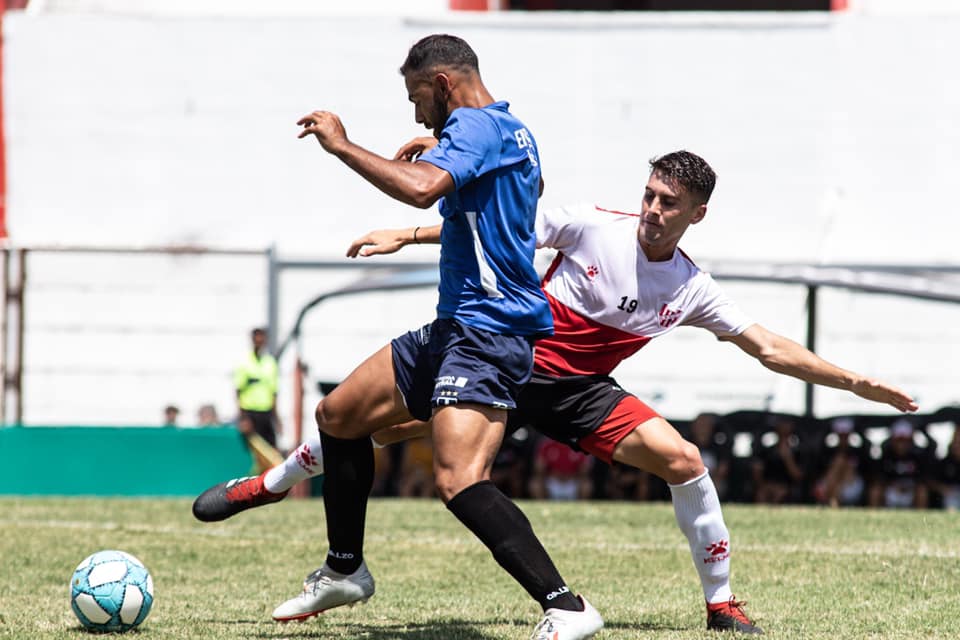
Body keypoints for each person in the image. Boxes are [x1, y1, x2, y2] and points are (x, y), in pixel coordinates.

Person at [194, 150, 919, 634]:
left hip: (577, 393)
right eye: (649, 194)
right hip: (502, 360)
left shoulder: (691, 285)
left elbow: (769, 348)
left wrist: (859, 381)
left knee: (685, 460)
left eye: (669, 202)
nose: (652, 209)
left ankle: (721, 602)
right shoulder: (591, 225)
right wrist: (408, 233)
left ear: (698, 213)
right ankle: (273, 481)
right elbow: (501, 237)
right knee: (366, 425)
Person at [228, 33, 601, 639]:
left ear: (445, 85)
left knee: (457, 480)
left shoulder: (477, 130)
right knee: (339, 413)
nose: (415, 111)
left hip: (490, 329)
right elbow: (493, 205)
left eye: (417, 98)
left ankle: (566, 606)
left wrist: (342, 145)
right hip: (455, 326)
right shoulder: (508, 130)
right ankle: (345, 569)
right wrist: (440, 150)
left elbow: (426, 188)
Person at [234, 327, 281, 450]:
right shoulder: (244, 362)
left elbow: (274, 392)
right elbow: (238, 391)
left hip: (266, 413)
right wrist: (243, 418)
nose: (259, 341)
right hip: (250, 413)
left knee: (271, 448)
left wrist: (276, 419)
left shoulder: (270, 363)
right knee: (252, 449)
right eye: (257, 337)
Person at [868, 418, 931, 508]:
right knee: (875, 490)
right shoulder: (886, 455)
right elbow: (879, 477)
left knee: (922, 491)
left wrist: (908, 487)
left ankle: (922, 518)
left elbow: (922, 479)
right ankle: (874, 516)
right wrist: (891, 485)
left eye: (905, 440)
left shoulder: (917, 456)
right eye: (899, 440)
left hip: (910, 492)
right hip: (891, 491)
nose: (901, 444)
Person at [812, 417, 870, 507]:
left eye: (846, 435)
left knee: (843, 463)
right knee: (839, 461)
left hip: (851, 486)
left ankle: (831, 499)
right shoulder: (828, 451)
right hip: (830, 485)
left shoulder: (858, 451)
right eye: (841, 435)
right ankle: (832, 499)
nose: (843, 438)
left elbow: (865, 471)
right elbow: (819, 469)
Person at [752, 414, 807, 504]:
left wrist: (788, 458)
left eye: (786, 425)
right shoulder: (767, 450)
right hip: (767, 484)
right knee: (761, 494)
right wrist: (762, 485)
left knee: (779, 493)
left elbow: (798, 476)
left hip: (786, 486)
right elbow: (757, 470)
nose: (783, 427)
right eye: (781, 424)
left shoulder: (798, 451)